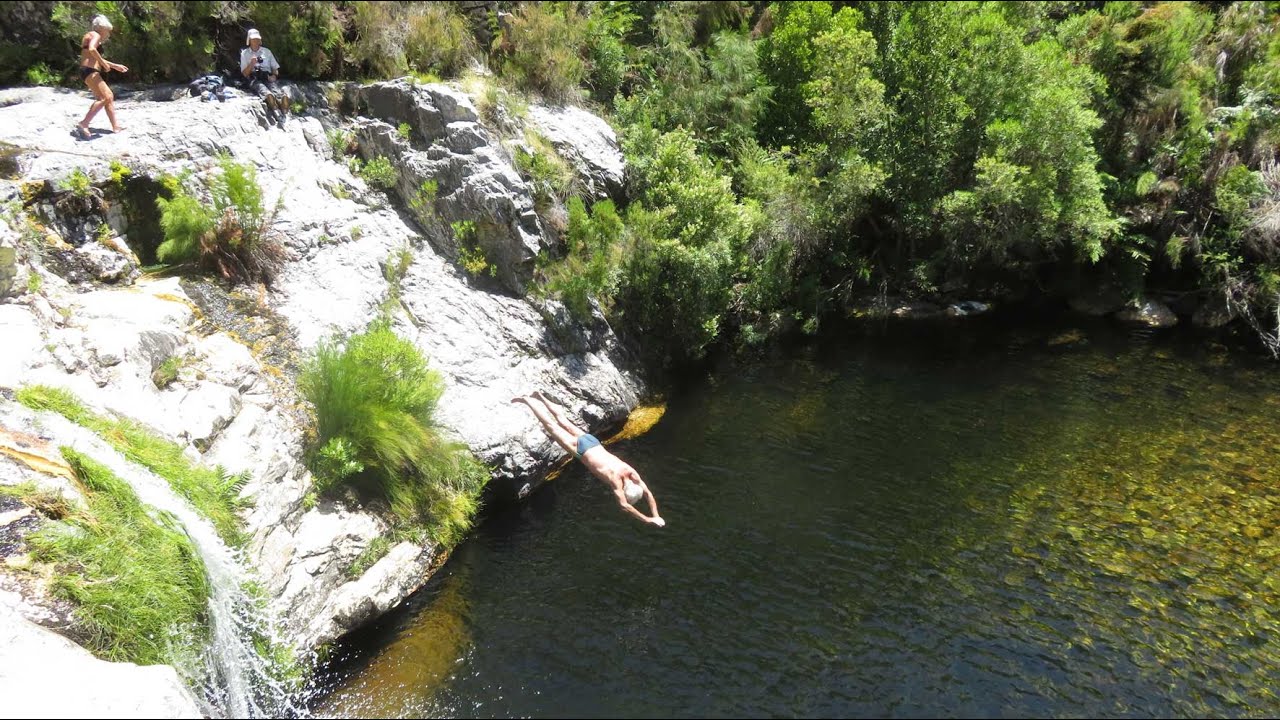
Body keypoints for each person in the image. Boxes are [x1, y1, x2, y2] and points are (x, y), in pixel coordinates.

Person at [513, 391, 666, 527]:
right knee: (551, 426)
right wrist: (646, 519)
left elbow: (648, 493)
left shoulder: (632, 473)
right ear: (625, 491)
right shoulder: (615, 481)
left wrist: (656, 515)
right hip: (581, 450)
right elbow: (625, 507)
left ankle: (540, 396)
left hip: (593, 442)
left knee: (562, 419)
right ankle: (528, 401)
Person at [75, 14, 128, 139]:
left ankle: (115, 127)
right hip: (90, 71)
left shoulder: (90, 35)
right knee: (106, 96)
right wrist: (104, 64)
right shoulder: (95, 35)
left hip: (87, 70)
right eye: (107, 31)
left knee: (107, 97)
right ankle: (84, 123)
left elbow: (92, 55)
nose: (107, 35)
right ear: (102, 28)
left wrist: (114, 65)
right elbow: (93, 50)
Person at [240, 29, 285, 125]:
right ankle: (273, 105)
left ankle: (283, 105)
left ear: (260, 40)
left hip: (267, 76)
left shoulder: (267, 52)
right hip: (254, 78)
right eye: (253, 39)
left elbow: (275, 68)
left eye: (257, 39)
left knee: (276, 90)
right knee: (262, 89)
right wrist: (251, 64)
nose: (256, 41)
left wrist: (274, 76)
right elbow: (244, 74)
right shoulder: (245, 54)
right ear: (249, 40)